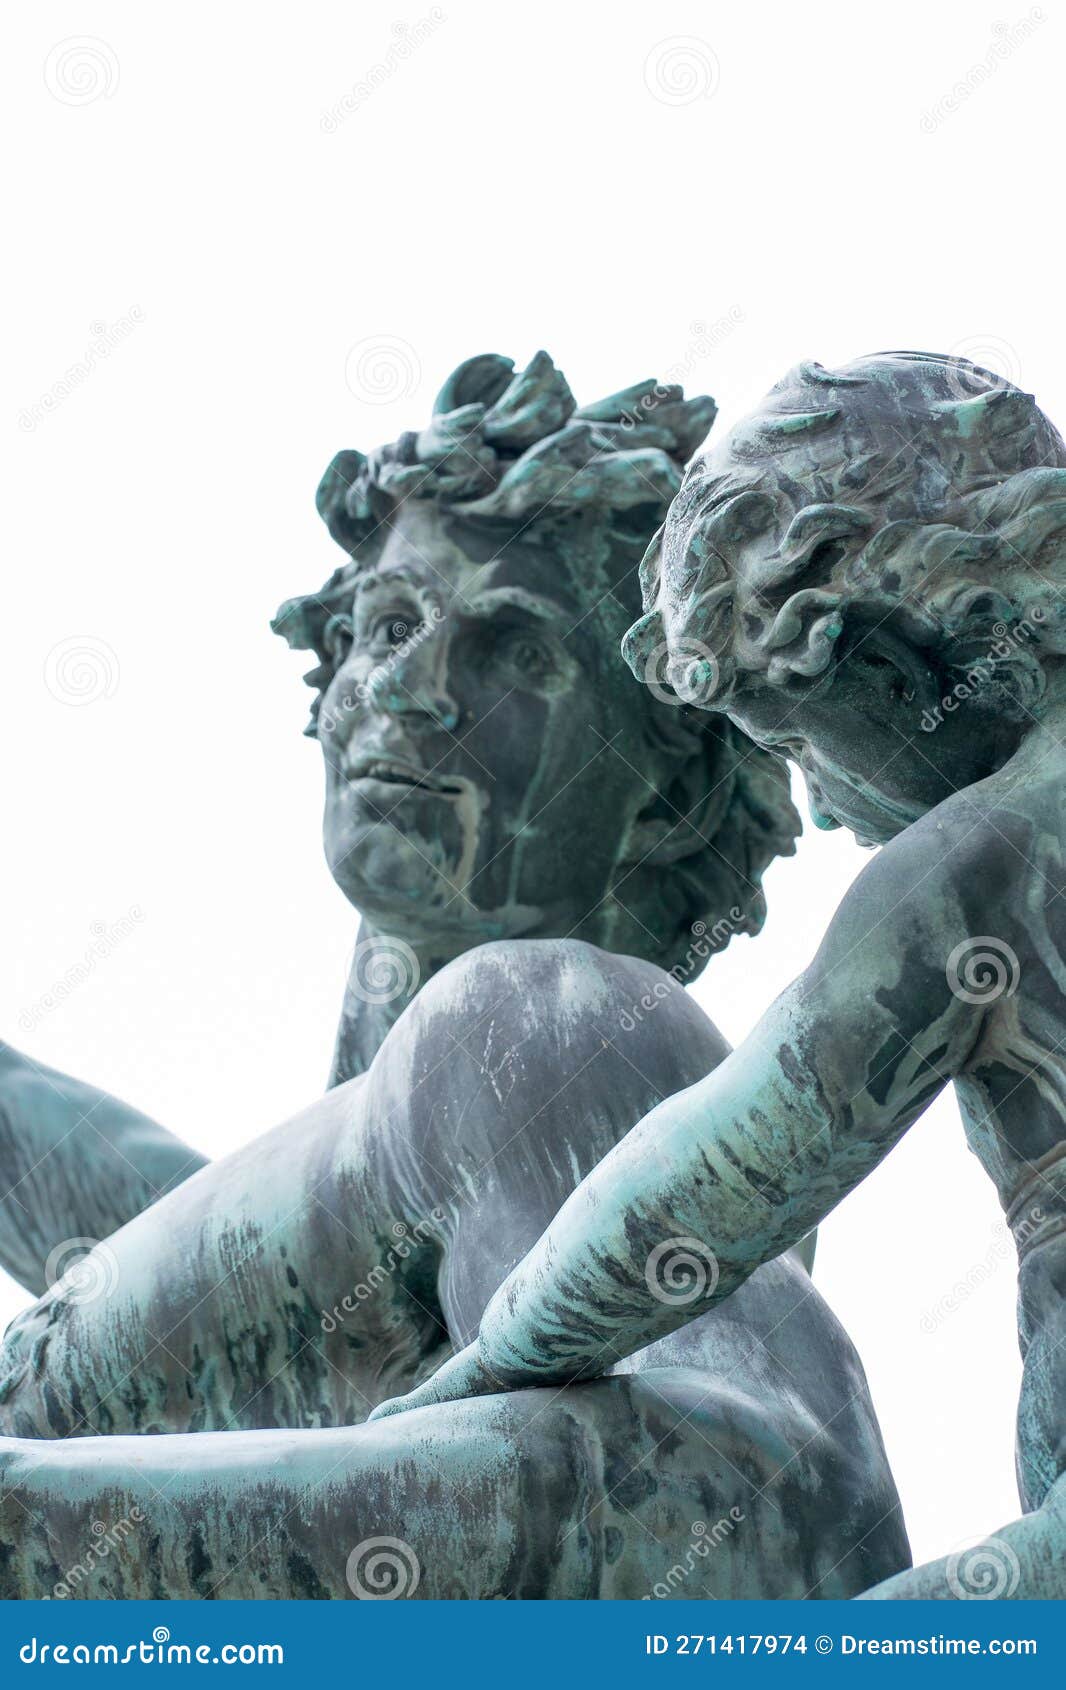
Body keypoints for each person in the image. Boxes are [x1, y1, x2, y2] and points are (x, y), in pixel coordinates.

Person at [0, 355, 906, 1600]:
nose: (413, 691)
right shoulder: (330, 1198)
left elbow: (769, 1517)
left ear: (678, 794)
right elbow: (161, 1263)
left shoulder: (551, 1030)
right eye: (384, 626)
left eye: (514, 653)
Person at [373, 352, 1066, 1599]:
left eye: (794, 736)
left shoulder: (976, 866)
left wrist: (470, 1377)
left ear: (884, 659)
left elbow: (708, 1181)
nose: (823, 803)